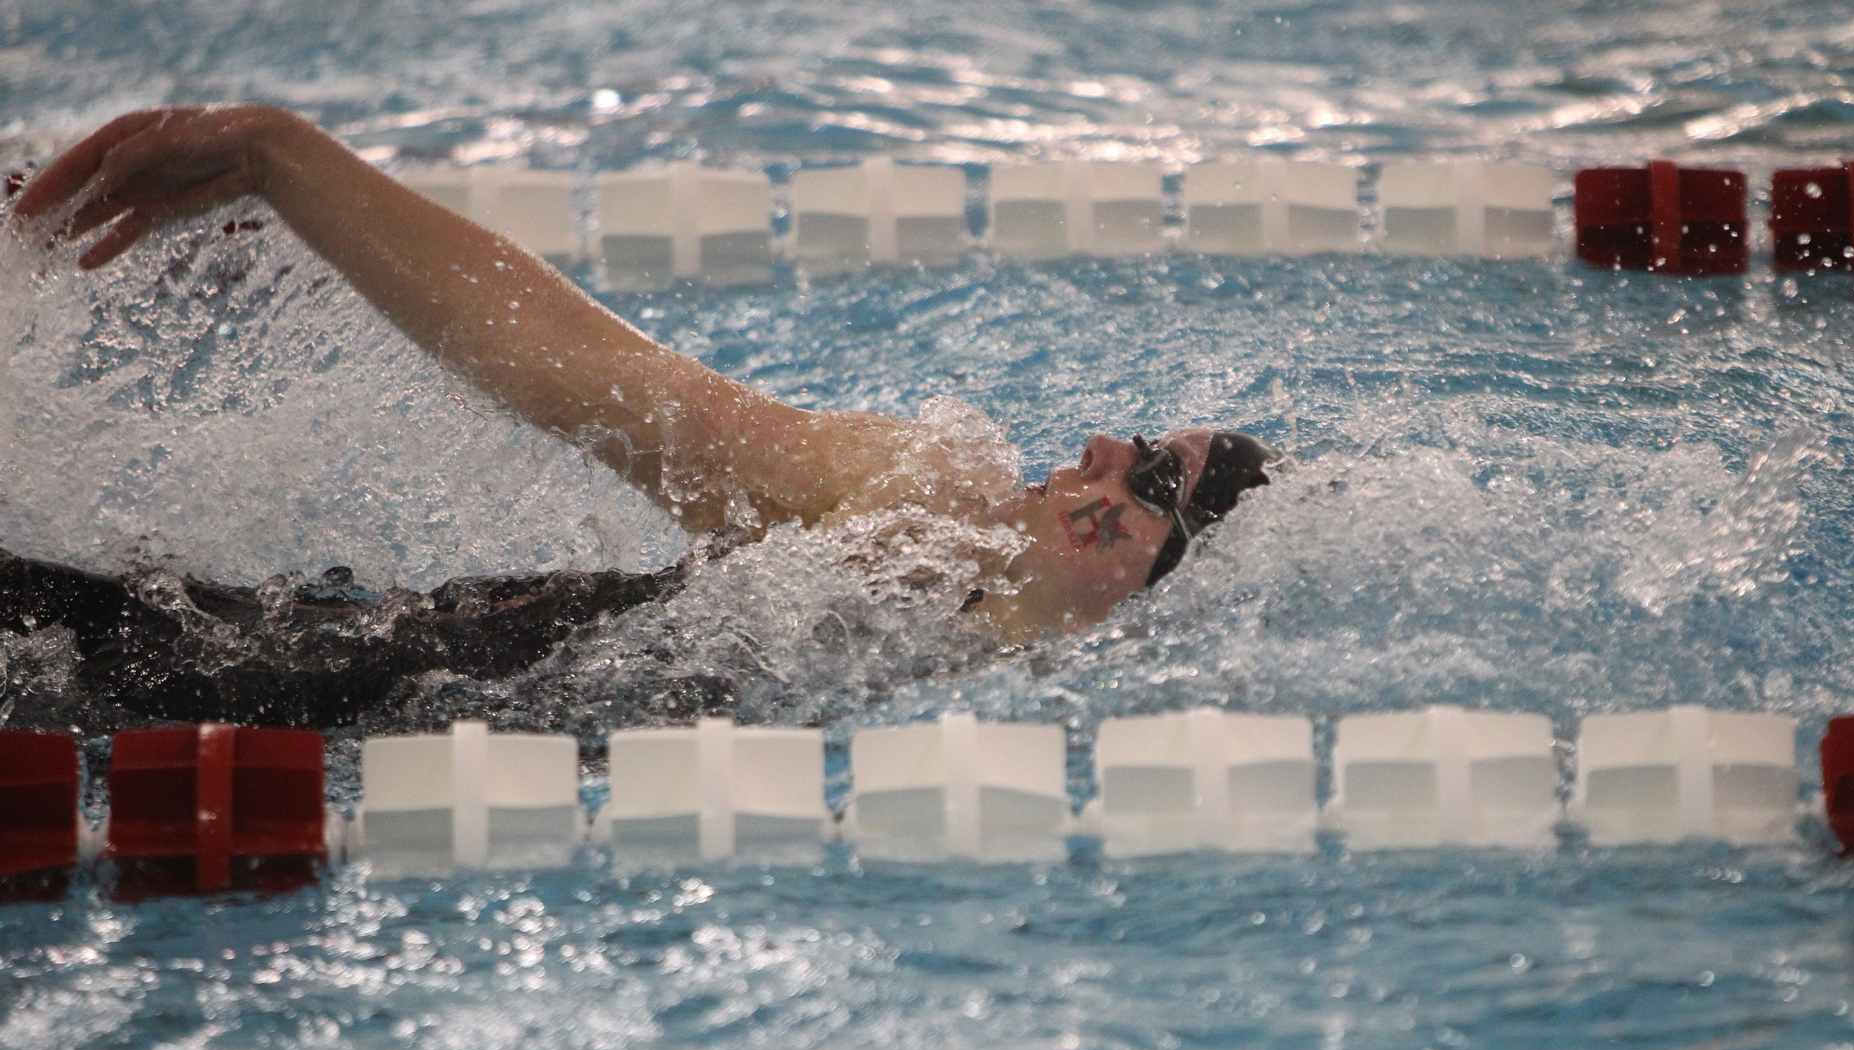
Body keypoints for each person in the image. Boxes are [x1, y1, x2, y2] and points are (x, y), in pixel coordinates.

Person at [4, 106, 1277, 721]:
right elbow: (591, 377)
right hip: (349, 668)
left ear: (1137, 557)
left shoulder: (1023, 707)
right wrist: (278, 158)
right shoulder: (919, 497)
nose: (1107, 444)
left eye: (1154, 471)